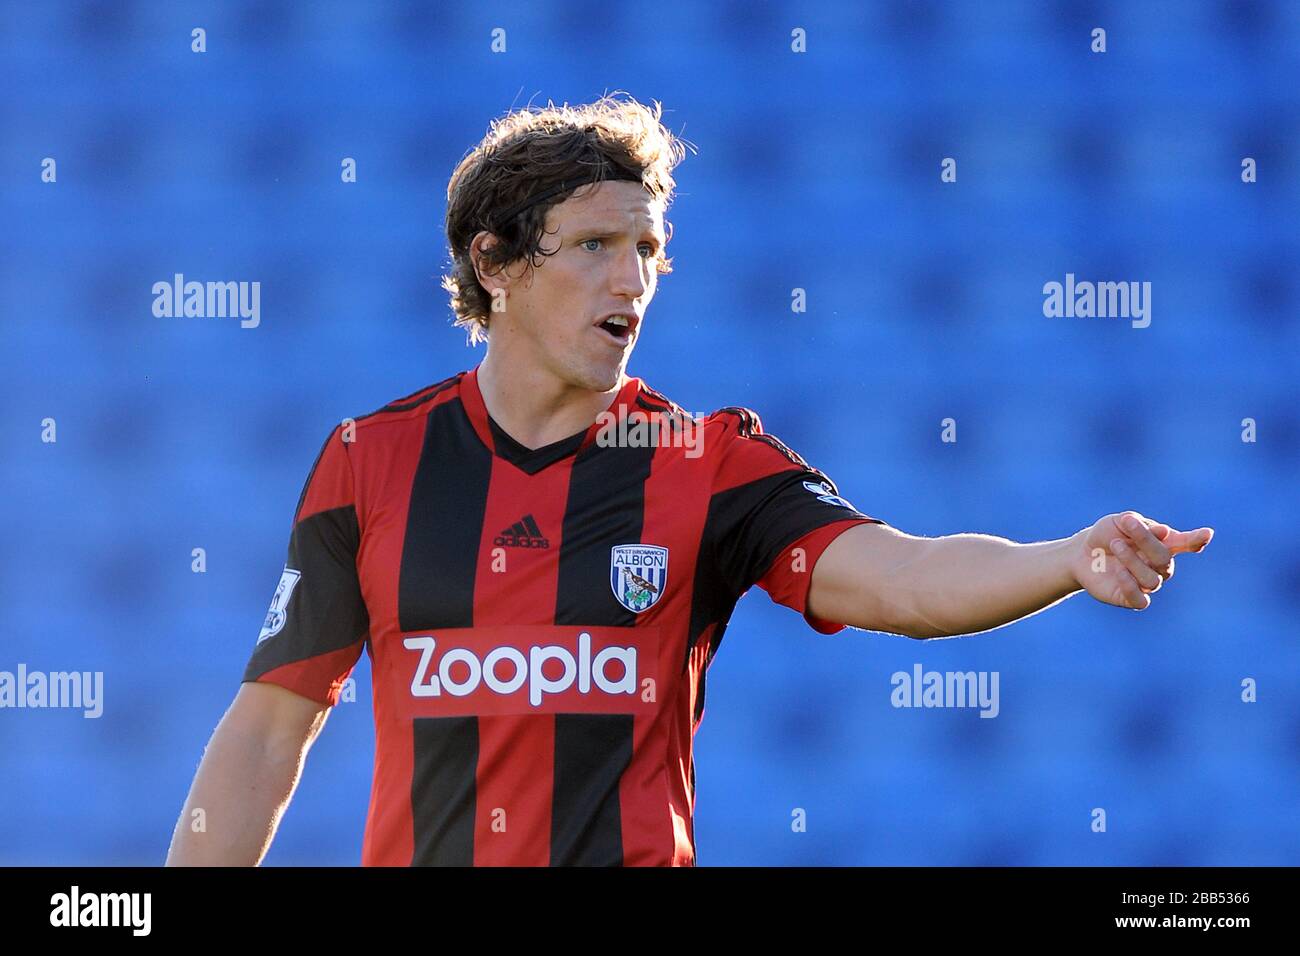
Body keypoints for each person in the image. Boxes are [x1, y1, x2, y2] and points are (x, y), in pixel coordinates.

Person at [165, 93, 1212, 867]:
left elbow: (904, 577)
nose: (630, 279)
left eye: (648, 249)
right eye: (593, 245)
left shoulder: (705, 461)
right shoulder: (371, 460)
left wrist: (1062, 558)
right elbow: (269, 726)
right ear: (495, 263)